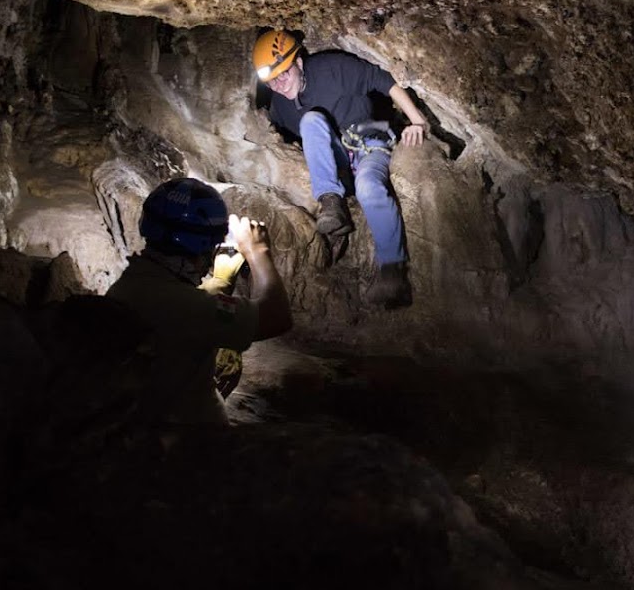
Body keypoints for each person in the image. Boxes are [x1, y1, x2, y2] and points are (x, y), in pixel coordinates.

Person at [253, 29, 429, 308]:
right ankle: (332, 204)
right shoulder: (280, 106)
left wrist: (417, 121)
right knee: (311, 122)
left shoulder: (332, 68)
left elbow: (382, 79)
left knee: (370, 187)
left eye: (284, 73)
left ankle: (393, 275)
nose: (280, 84)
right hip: (336, 162)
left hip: (368, 144)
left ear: (298, 63)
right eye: (272, 81)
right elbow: (279, 134)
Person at [107, 178, 292, 424]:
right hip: (189, 445)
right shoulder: (186, 307)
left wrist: (220, 281)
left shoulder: (130, 285)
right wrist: (257, 252)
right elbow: (276, 317)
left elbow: (183, 305)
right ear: (203, 247)